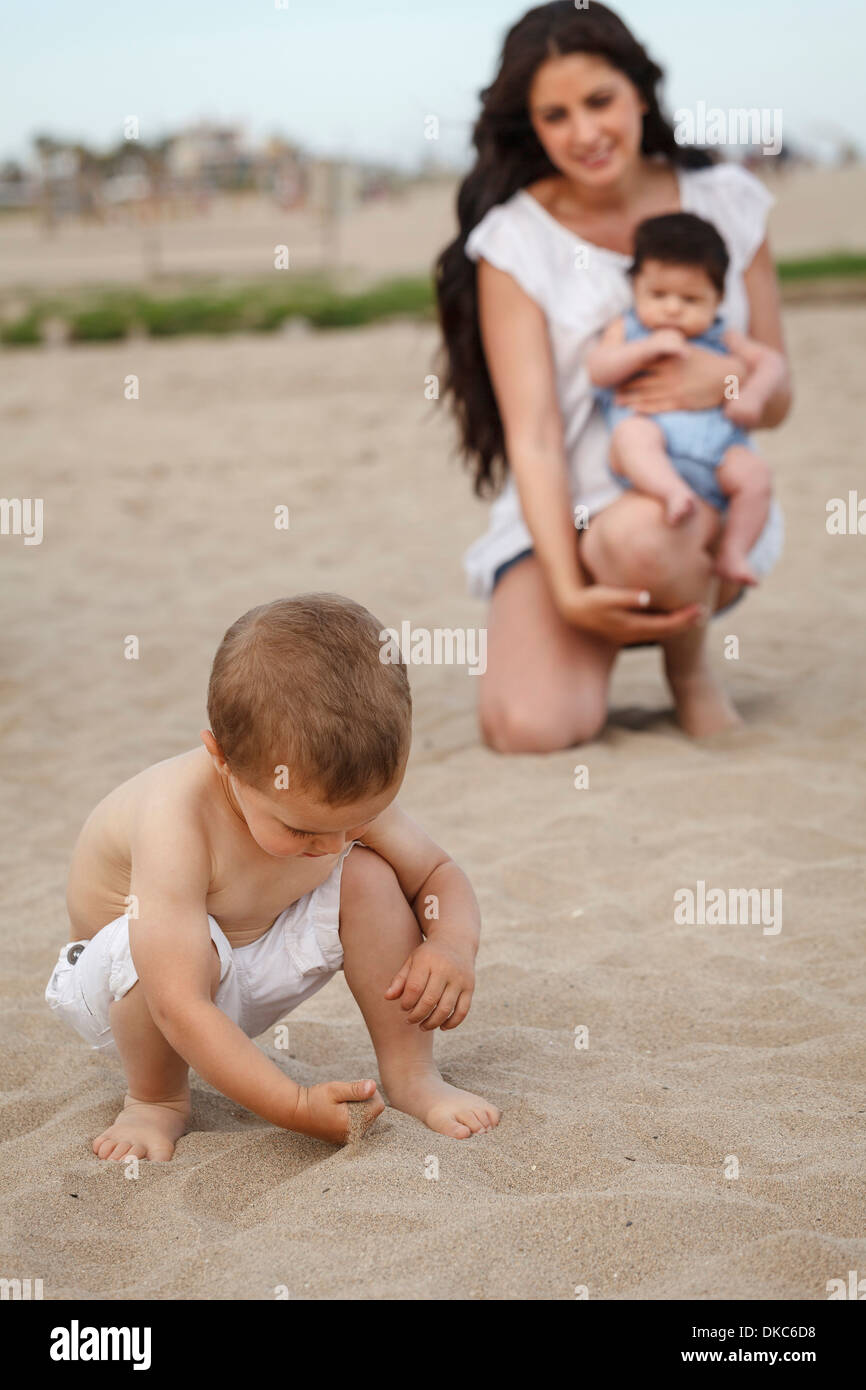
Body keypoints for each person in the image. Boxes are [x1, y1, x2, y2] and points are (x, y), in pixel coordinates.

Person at [435, 1, 792, 747]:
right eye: (555, 115)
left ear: (638, 90)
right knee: (527, 726)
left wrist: (716, 384)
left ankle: (689, 671)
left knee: (645, 536)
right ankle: (591, 617)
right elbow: (532, 438)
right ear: (529, 126)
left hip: (692, 500)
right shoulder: (513, 240)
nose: (586, 133)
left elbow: (778, 390)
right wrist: (566, 591)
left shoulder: (725, 202)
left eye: (600, 100)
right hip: (565, 514)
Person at [45, 594, 500, 1160]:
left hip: (250, 956)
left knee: (372, 875)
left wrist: (452, 944)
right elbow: (177, 1001)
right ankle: (156, 1101)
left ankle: (411, 1075)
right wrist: (293, 1105)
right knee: (143, 951)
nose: (329, 847)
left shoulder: (330, 799)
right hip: (135, 993)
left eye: (354, 821)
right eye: (302, 830)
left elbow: (437, 873)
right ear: (222, 759)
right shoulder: (176, 817)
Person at [589, 211, 786, 586]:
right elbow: (598, 368)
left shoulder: (722, 335)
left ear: (718, 299)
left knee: (756, 476)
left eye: (691, 299)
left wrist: (752, 396)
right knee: (633, 436)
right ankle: (673, 492)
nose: (673, 308)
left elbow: (772, 363)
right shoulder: (629, 328)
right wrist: (643, 350)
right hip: (652, 446)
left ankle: (735, 551)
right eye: (658, 295)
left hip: (717, 453)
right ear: (635, 288)